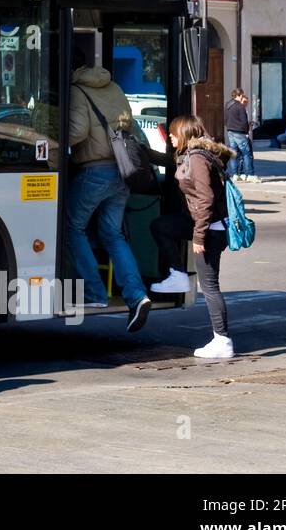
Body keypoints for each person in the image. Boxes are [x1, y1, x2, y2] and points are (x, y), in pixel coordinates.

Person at [66, 47, 152, 331]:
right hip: (122, 169)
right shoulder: (113, 86)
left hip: (95, 170)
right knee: (113, 234)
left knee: (71, 226)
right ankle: (137, 295)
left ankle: (94, 293)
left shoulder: (78, 91)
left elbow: (77, 132)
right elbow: (129, 124)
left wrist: (52, 132)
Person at [155, 116, 234, 358]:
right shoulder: (191, 154)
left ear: (184, 132)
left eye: (173, 132)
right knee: (162, 227)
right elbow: (170, 161)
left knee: (209, 285)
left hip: (211, 229)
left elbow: (206, 199)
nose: (169, 136)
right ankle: (177, 274)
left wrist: (199, 237)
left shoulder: (198, 158)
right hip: (205, 225)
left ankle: (222, 341)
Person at [223, 88, 257, 182]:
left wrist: (229, 126)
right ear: (239, 95)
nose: (242, 96)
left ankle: (234, 174)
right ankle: (249, 174)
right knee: (246, 153)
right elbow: (244, 121)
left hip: (230, 130)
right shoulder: (240, 106)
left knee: (234, 153)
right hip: (240, 132)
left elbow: (225, 119)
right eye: (242, 94)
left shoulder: (228, 105)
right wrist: (246, 131)